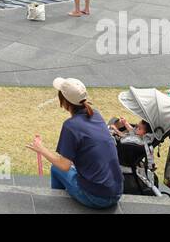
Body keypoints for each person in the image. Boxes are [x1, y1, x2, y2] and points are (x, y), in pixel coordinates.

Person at [27, 77, 123, 210]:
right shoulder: (96, 114)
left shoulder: (70, 126)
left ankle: (57, 207)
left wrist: (41, 149)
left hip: (97, 197)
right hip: (117, 191)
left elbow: (64, 165)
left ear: (64, 102)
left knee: (56, 169)